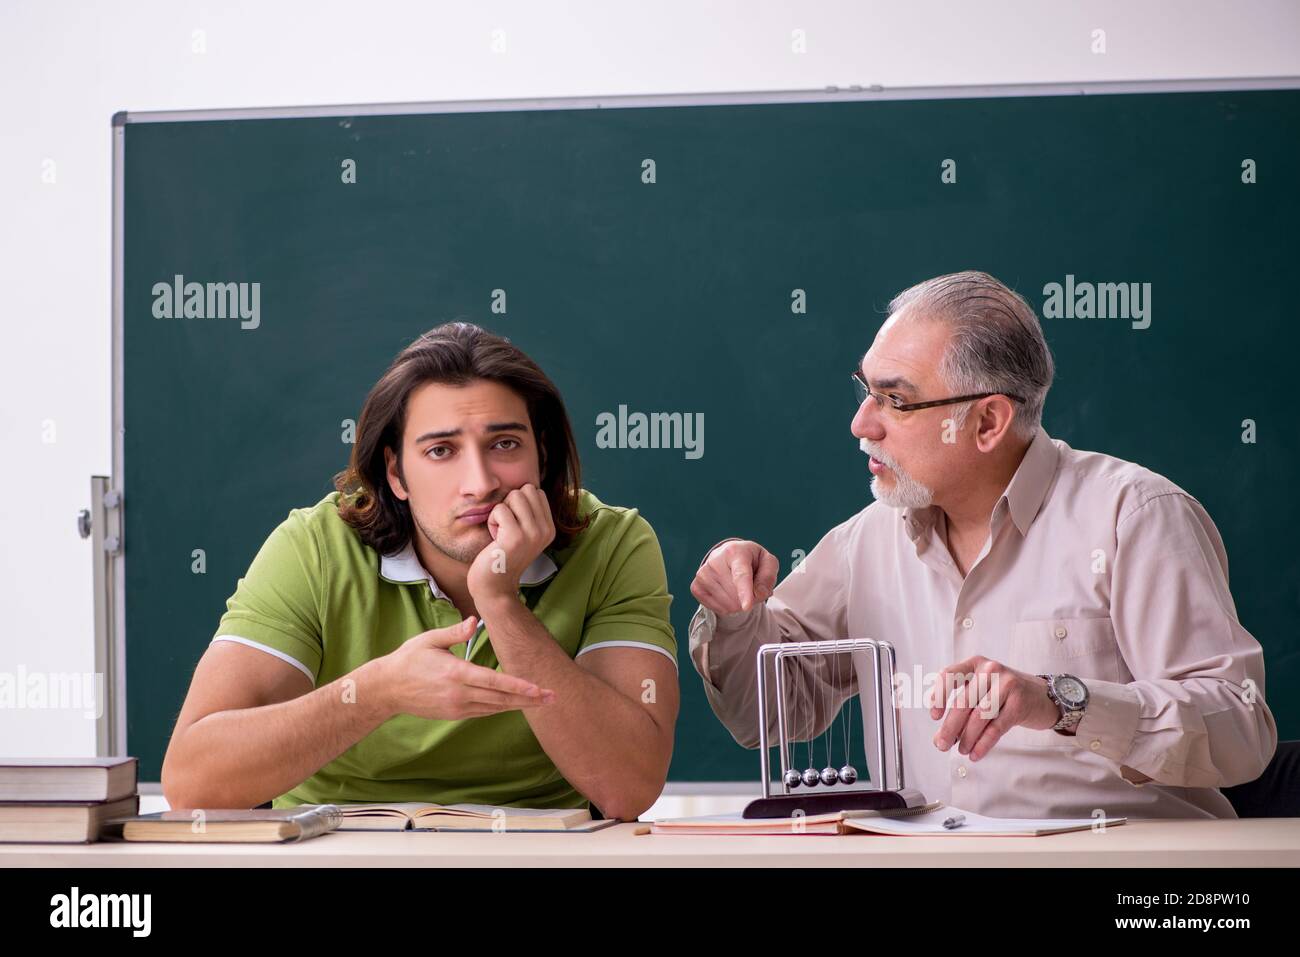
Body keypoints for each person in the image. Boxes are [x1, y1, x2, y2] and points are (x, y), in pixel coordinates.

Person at [689, 271, 1276, 819]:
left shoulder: (1135, 517)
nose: (861, 423)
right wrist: (735, 612)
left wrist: (1062, 701)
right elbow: (763, 714)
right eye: (865, 391)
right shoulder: (864, 542)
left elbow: (1240, 730)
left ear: (989, 422)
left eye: (895, 400)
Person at [163, 322, 679, 820]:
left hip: (534, 857)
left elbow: (627, 789)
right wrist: (379, 692)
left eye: (504, 444)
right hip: (338, 854)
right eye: (440, 450)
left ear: (540, 455)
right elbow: (193, 784)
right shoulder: (314, 547)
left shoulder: (612, 543)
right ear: (396, 474)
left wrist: (500, 602)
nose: (479, 483)